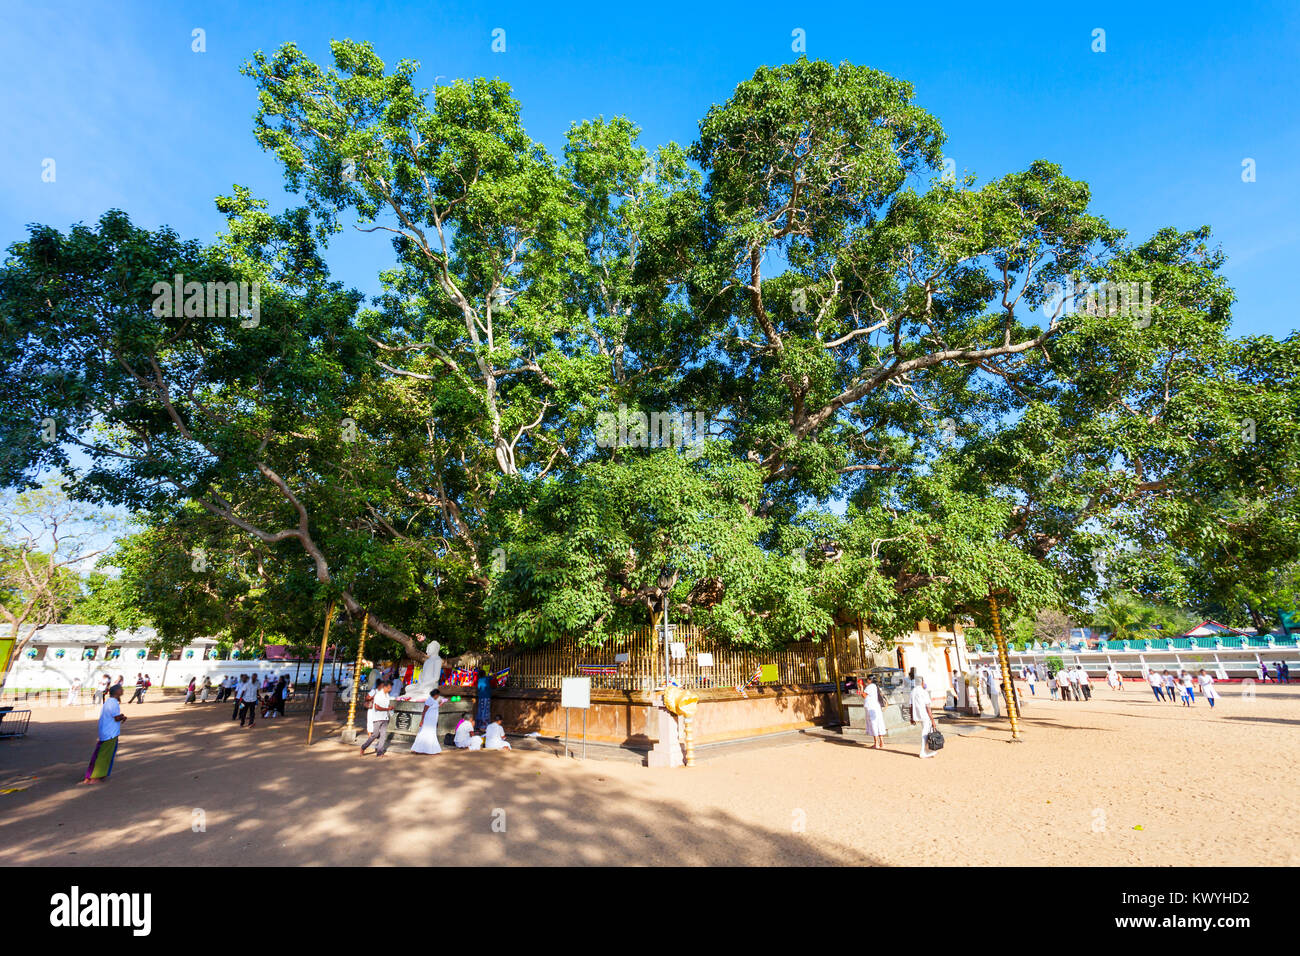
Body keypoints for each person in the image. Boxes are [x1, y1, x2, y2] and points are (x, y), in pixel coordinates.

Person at [82, 683, 126, 784]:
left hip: (106, 732)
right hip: (110, 733)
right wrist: (122, 717)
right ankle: (94, 778)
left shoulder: (109, 702)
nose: (122, 690)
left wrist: (121, 716)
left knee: (100, 754)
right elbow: (116, 717)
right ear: (117, 692)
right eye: (121, 689)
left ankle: (90, 777)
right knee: (104, 755)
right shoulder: (113, 703)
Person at [360, 679, 393, 757]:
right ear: (384, 687)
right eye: (389, 687)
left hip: (385, 717)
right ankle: (363, 747)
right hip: (377, 717)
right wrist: (387, 709)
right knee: (375, 734)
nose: (390, 689)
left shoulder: (387, 695)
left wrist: (390, 709)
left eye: (390, 687)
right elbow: (377, 707)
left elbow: (386, 705)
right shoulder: (378, 695)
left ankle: (379, 752)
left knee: (383, 735)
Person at [910, 676, 938, 759]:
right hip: (925, 715)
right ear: (922, 682)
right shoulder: (923, 691)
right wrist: (932, 720)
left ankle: (927, 750)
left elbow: (910, 706)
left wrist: (911, 717)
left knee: (926, 731)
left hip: (917, 715)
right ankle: (922, 752)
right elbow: (928, 707)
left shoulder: (912, 692)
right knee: (925, 732)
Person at [863, 675, 888, 749]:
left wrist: (861, 688)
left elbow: (864, 695)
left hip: (871, 707)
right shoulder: (877, 686)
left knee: (873, 724)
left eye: (867, 679)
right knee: (879, 723)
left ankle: (876, 743)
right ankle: (882, 742)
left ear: (869, 680)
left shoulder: (870, 687)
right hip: (877, 707)